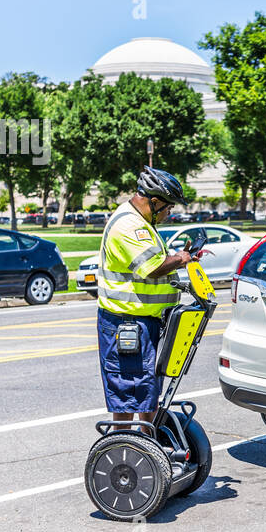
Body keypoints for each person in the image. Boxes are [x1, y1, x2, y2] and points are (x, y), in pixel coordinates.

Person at [95, 167, 199, 429]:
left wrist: (179, 258)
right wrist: (180, 259)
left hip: (144, 321)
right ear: (154, 202)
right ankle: (124, 450)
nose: (170, 213)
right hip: (126, 322)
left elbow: (153, 261)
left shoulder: (142, 223)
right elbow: (150, 268)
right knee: (128, 390)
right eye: (168, 208)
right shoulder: (128, 225)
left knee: (145, 390)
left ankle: (148, 441)